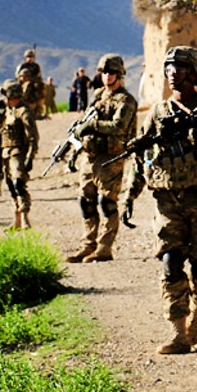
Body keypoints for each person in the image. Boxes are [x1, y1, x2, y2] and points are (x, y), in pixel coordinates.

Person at [121, 46, 197, 354]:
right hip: (168, 201)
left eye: (179, 68)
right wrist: (129, 196)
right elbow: (143, 158)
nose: (173, 74)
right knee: (170, 263)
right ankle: (179, 332)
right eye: (169, 69)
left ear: (193, 73)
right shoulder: (159, 113)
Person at [66, 54, 138, 263]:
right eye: (104, 73)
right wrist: (75, 147)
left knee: (106, 201)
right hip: (90, 157)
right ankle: (88, 245)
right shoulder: (98, 95)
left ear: (120, 75)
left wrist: (93, 126)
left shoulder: (125, 100)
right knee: (85, 201)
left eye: (112, 73)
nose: (107, 77)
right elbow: (85, 122)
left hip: (111, 157)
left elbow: (119, 126)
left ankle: (104, 247)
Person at [0, 80, 39, 230]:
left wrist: (30, 157)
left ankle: (25, 217)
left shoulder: (23, 111)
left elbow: (33, 136)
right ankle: (16, 219)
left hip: (18, 152)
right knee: (10, 185)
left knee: (19, 183)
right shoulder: (6, 111)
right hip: (5, 152)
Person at [16, 49, 46, 117]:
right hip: (24, 84)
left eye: (31, 57)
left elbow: (39, 76)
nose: (30, 59)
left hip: (34, 84)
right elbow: (18, 76)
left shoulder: (36, 66)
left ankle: (38, 110)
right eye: (28, 57)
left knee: (41, 88)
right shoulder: (22, 66)